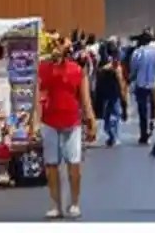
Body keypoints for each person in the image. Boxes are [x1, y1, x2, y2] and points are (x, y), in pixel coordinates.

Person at [35, 33, 98, 219]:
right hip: (49, 121)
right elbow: (37, 97)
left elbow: (85, 99)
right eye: (53, 45)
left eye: (59, 44)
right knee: (51, 165)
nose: (55, 48)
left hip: (72, 122)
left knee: (74, 165)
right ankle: (55, 205)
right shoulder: (42, 69)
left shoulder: (77, 70)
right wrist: (33, 122)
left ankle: (75, 203)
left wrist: (91, 121)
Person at [128, 31, 155, 144]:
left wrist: (131, 78)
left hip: (141, 84)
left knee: (142, 109)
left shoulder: (137, 52)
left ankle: (144, 133)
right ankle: (152, 125)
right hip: (154, 84)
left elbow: (134, 68)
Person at [93, 40, 129, 146]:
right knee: (115, 115)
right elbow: (121, 81)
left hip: (105, 94)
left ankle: (111, 135)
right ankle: (113, 136)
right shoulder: (116, 66)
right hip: (115, 94)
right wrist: (124, 99)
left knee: (108, 116)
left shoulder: (102, 65)